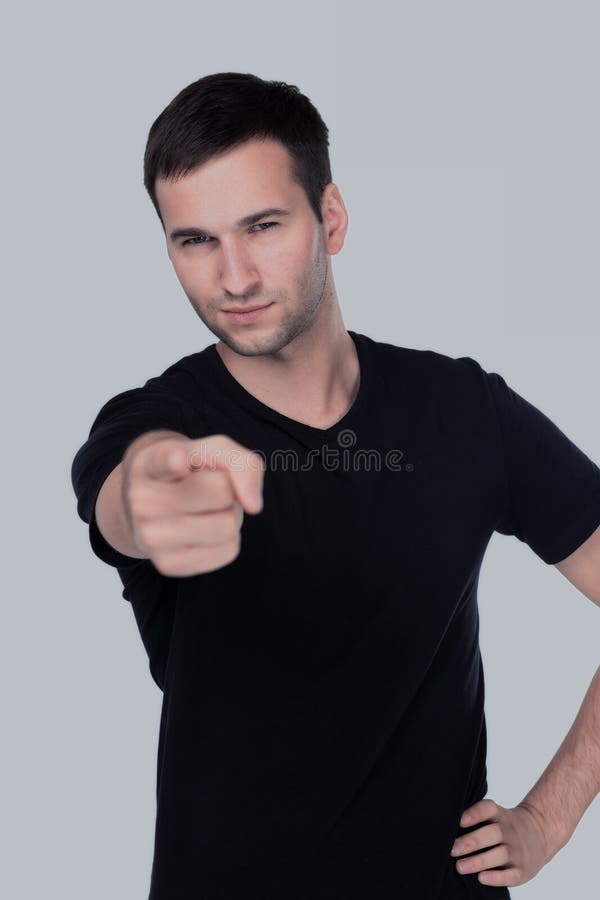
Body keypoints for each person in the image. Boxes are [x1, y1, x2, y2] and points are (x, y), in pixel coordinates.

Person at [70, 72, 600, 900]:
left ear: (333, 218)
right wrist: (149, 501)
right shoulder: (157, 422)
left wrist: (549, 820)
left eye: (263, 225)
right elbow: (125, 490)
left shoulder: (466, 412)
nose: (234, 276)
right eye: (195, 240)